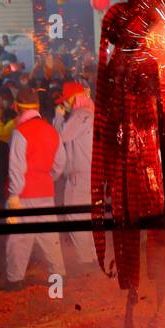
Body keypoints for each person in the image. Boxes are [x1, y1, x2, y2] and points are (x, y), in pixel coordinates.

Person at [4, 86, 66, 286]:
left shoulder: (20, 133)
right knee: (50, 237)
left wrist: (14, 194)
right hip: (46, 192)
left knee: (19, 239)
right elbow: (60, 164)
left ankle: (15, 279)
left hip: (24, 194)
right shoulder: (52, 131)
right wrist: (46, 178)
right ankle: (59, 275)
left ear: (17, 108)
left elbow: (16, 168)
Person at [52, 81, 97, 267]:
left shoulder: (80, 116)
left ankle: (85, 259)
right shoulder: (89, 112)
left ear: (74, 98)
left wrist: (58, 117)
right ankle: (92, 257)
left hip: (80, 175)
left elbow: (58, 137)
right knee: (87, 216)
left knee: (75, 216)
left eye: (66, 100)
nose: (65, 104)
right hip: (89, 173)